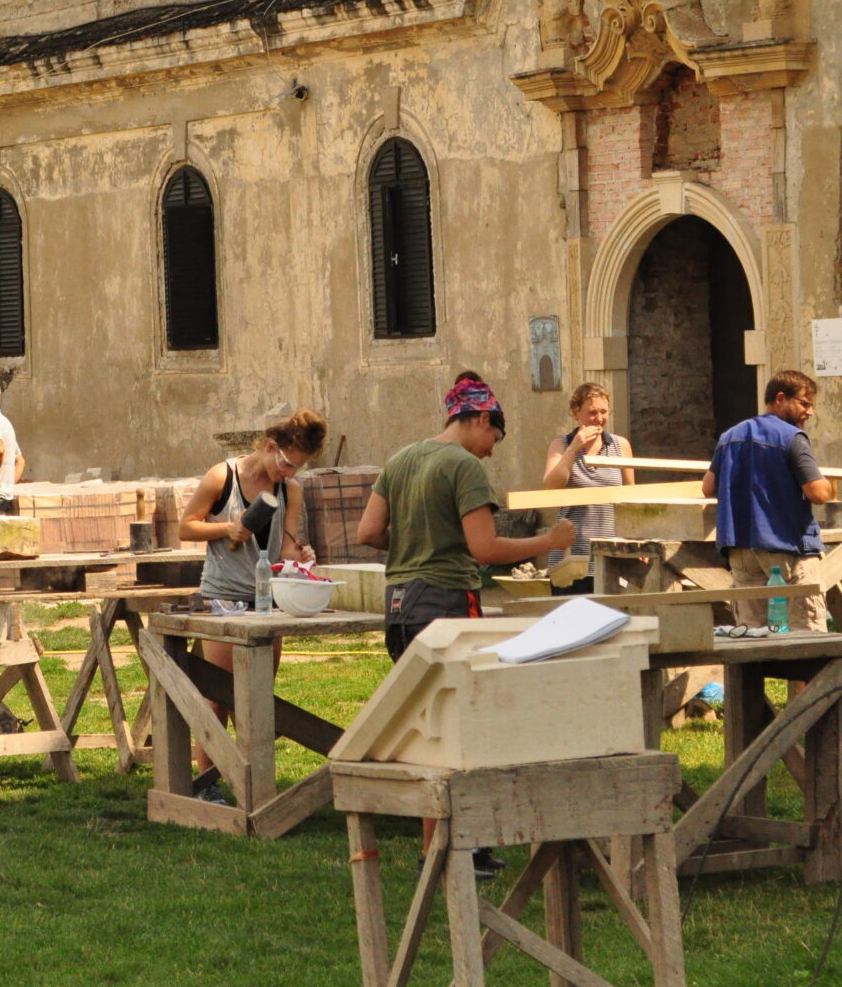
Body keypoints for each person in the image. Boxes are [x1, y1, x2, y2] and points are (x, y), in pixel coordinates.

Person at [356, 374, 572, 880]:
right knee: (458, 727)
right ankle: (443, 855)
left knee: (430, 726)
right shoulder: (464, 467)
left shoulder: (401, 459)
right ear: (478, 419)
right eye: (496, 435)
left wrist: (418, 539)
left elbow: (368, 533)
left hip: (400, 605)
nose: (493, 450)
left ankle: (456, 847)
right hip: (444, 601)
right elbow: (486, 550)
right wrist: (550, 540)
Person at [178, 409, 326, 801]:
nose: (290, 473)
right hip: (223, 597)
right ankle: (207, 785)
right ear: (270, 447)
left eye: (299, 467)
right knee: (219, 697)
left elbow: (287, 544)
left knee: (257, 699)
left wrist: (301, 555)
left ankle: (252, 782)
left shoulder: (289, 490)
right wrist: (227, 527)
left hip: (265, 603)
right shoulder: (221, 477)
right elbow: (186, 526)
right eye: (288, 464)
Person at [703, 369, 835, 631]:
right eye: (804, 404)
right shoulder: (791, 437)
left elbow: (708, 488)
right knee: (806, 633)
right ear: (780, 398)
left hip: (741, 549)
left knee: (752, 633)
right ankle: (805, 675)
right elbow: (818, 494)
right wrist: (827, 482)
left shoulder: (731, 436)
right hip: (786, 548)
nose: (809, 412)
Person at [540, 383, 636, 588]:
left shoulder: (620, 446)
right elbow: (551, 485)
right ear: (576, 413)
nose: (599, 419)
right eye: (592, 413)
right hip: (571, 557)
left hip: (612, 555)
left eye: (603, 412)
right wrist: (575, 447)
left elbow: (631, 500)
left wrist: (636, 541)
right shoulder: (561, 445)